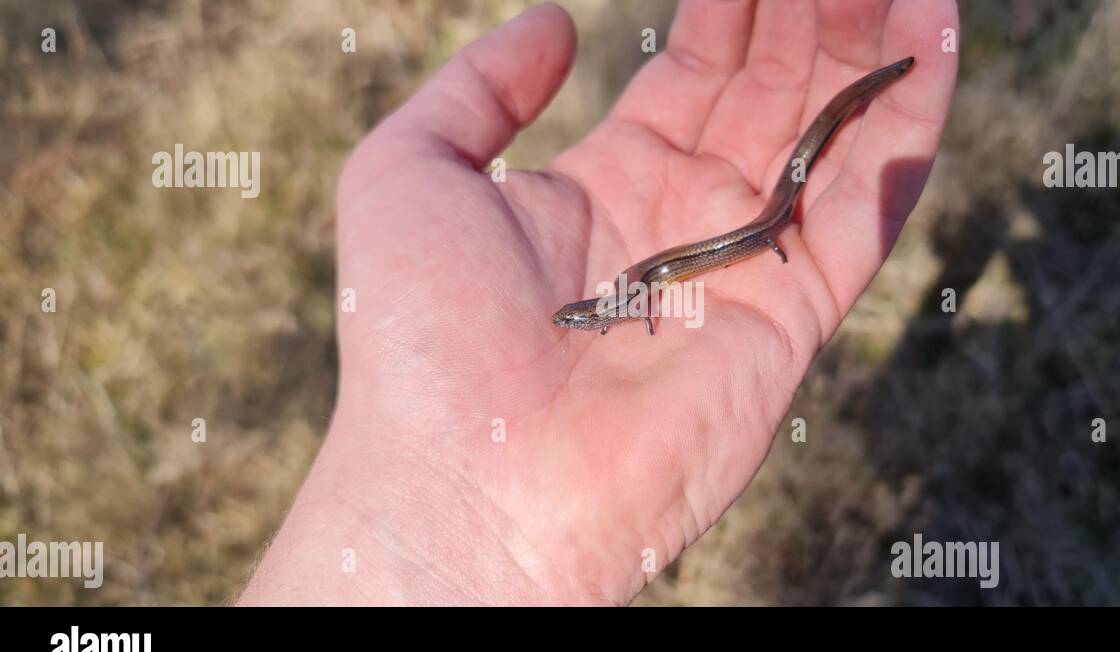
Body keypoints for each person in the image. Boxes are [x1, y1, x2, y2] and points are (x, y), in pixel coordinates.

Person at [239, 0, 958, 605]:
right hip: (735, 242)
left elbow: (651, 284)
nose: (573, 322)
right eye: (574, 319)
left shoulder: (625, 295)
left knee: (783, 202)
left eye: (574, 318)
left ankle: (884, 76)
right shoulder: (617, 303)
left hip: (757, 230)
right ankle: (871, 88)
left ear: (587, 313)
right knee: (773, 211)